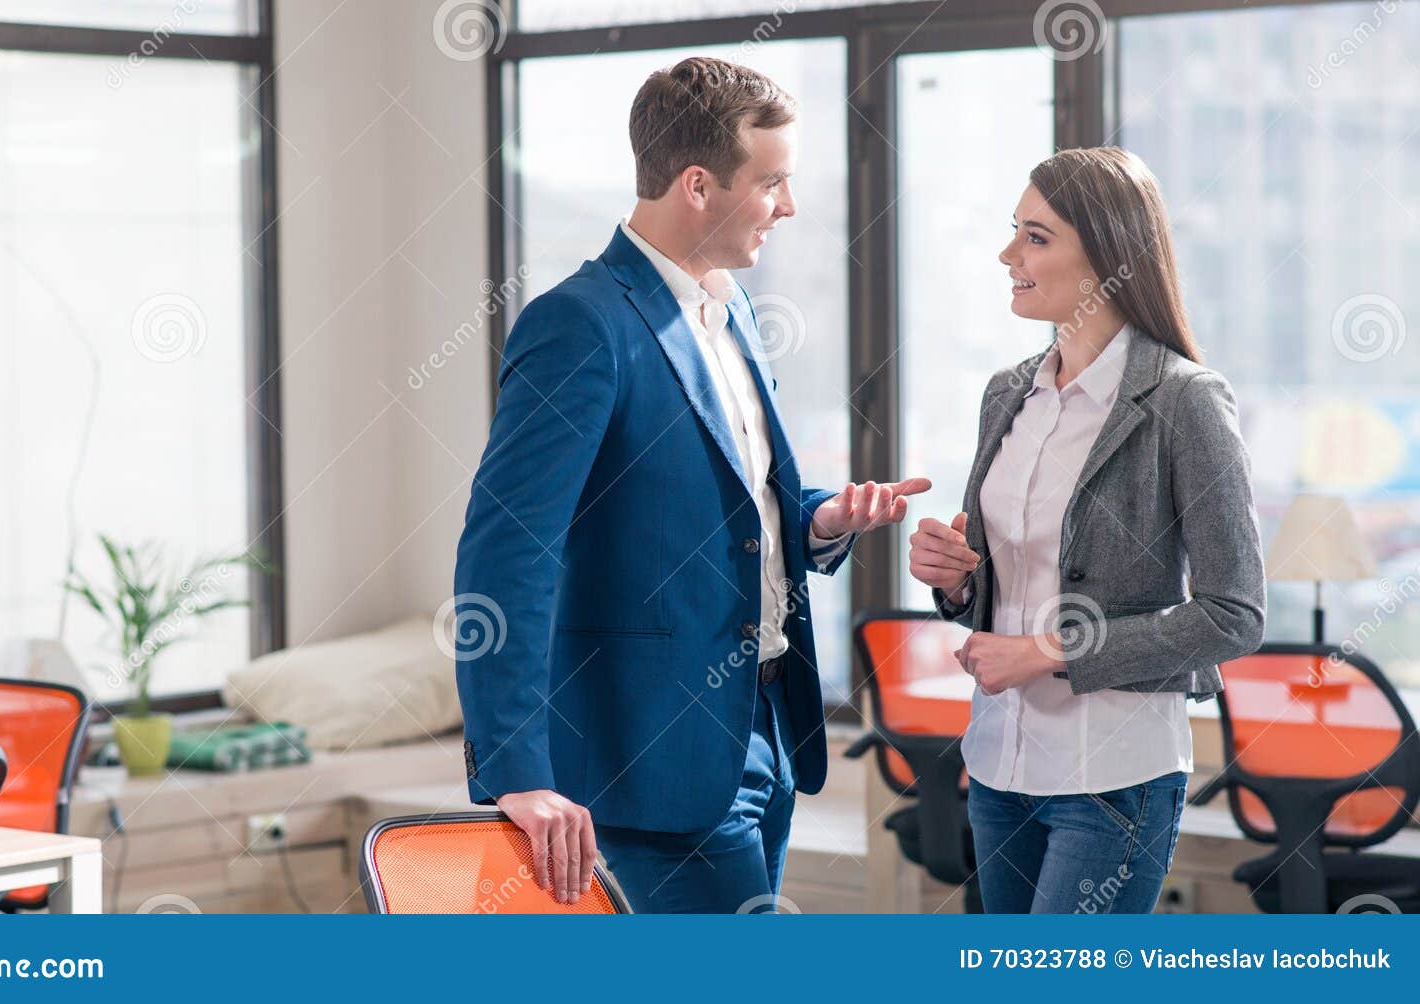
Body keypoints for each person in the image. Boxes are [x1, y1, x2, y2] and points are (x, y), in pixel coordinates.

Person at [453, 56, 929, 913]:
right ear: (698, 185)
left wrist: (819, 521)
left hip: (767, 732)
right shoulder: (579, 325)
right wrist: (515, 770)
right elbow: (505, 554)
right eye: (773, 182)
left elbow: (720, 507)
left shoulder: (732, 307)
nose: (789, 206)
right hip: (652, 755)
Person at [908, 146, 1265, 914]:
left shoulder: (1183, 400)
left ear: (1106, 257)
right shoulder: (1008, 392)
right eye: (1014, 232)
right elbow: (1003, 586)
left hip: (1113, 778)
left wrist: (1047, 651)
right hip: (999, 767)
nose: (1009, 255)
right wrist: (959, 578)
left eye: (1036, 238)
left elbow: (1235, 614)